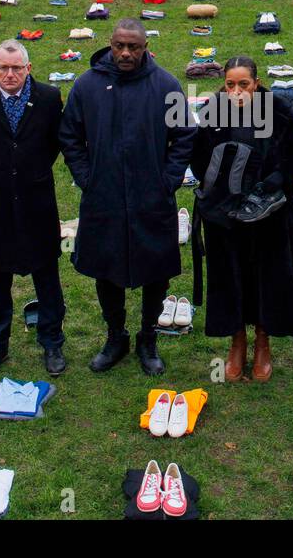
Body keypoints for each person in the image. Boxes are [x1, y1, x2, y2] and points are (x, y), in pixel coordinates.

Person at [59, 19, 195, 376]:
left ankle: (148, 338)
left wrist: (168, 179)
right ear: (110, 43)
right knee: (106, 269)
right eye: (120, 45)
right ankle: (114, 336)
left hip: (152, 197)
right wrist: (86, 177)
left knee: (156, 271)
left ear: (145, 46)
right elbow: (69, 135)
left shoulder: (166, 85)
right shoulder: (87, 85)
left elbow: (184, 135)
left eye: (133, 47)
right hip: (103, 197)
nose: (125, 53)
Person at [190, 57, 293, 382]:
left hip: (269, 212)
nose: (237, 91)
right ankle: (236, 341)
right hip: (225, 214)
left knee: (266, 276)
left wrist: (270, 185)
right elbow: (200, 159)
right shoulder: (213, 113)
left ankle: (263, 340)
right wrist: (222, 191)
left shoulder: (279, 112)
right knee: (231, 276)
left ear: (256, 83)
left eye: (244, 84)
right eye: (230, 85)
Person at [0, 41, 69, 377]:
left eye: (16, 68)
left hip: (37, 200)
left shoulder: (49, 98)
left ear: (28, 68)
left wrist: (30, 171)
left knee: (46, 275)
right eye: (3, 68)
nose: (9, 75)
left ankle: (51, 341)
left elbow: (55, 144)